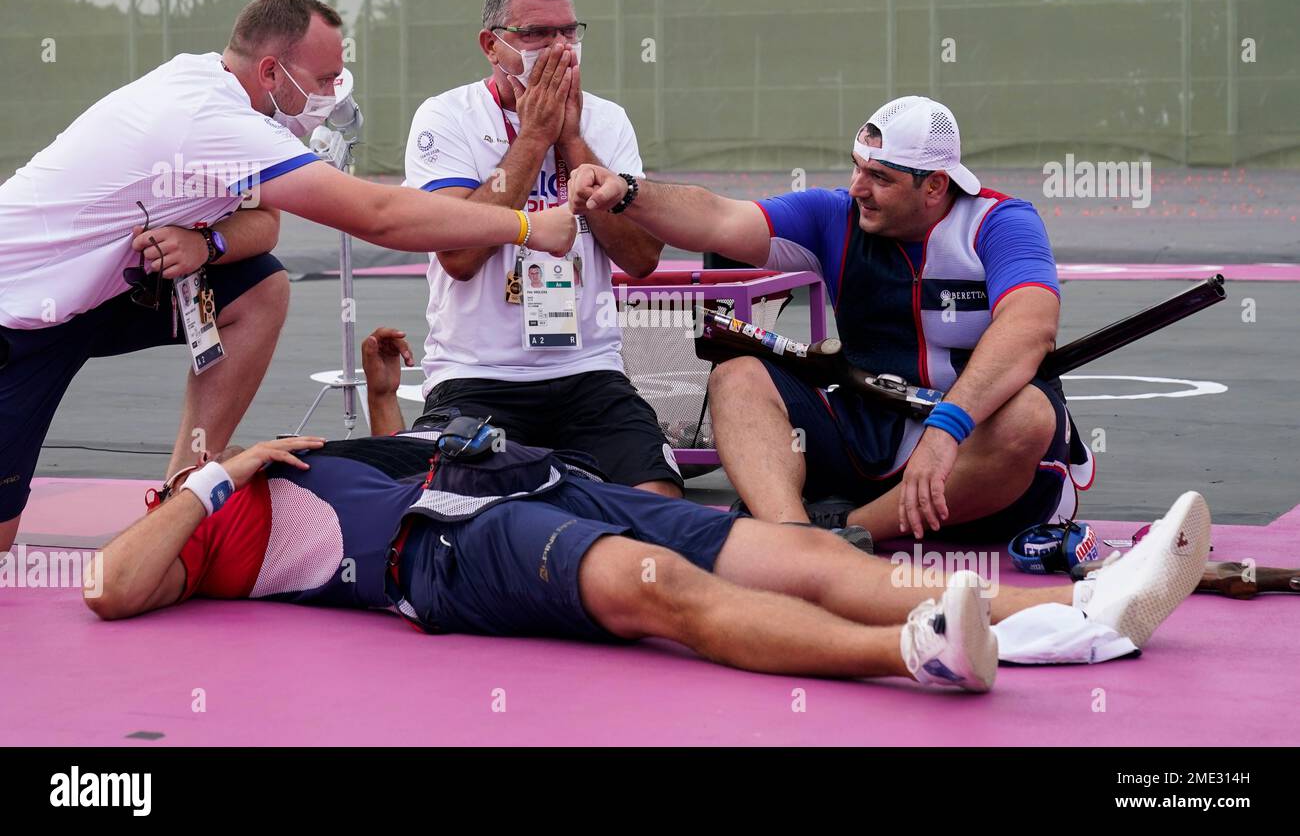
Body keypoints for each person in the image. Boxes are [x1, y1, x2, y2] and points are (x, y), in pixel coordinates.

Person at [79, 325, 1212, 696]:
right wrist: (212, 478)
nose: (204, 453)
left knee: (791, 547)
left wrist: (377, 392)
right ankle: (912, 649)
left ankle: (1079, 609)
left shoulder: (265, 472)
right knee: (660, 593)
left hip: (512, 476)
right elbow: (108, 585)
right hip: (448, 554)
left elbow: (385, 460)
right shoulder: (193, 520)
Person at [0, 0, 576, 554]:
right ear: (273, 71)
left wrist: (208, 241)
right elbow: (377, 216)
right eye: (325, 81)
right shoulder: (211, 118)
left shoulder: (216, 83)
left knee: (258, 286)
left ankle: (183, 494)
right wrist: (525, 228)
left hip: (92, 300)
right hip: (17, 317)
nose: (332, 96)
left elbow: (265, 226)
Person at [568, 95, 1094, 550]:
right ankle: (792, 539)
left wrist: (947, 427)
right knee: (737, 375)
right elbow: (718, 217)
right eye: (857, 167)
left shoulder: (1001, 222)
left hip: (977, 461)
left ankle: (849, 532)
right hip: (868, 434)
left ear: (934, 186)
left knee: (1028, 414)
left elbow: (1029, 327)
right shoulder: (834, 216)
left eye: (879, 177)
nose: (857, 187)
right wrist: (628, 191)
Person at [402, 0, 682, 498]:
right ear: (493, 44)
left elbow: (642, 256)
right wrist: (534, 134)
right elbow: (459, 255)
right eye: (535, 35)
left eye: (568, 32)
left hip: (588, 369)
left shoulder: (607, 120)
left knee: (658, 502)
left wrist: (571, 139)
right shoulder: (446, 116)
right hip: (478, 374)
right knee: (458, 510)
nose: (559, 48)